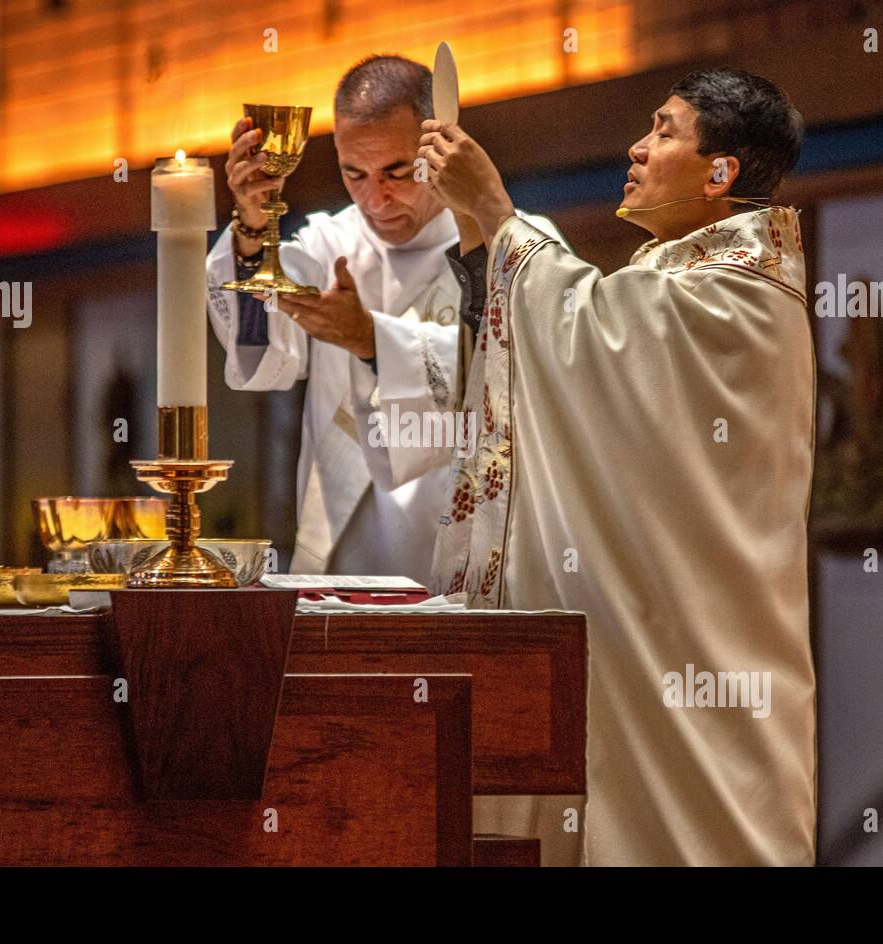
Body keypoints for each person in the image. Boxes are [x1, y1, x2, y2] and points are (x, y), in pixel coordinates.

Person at [416, 68, 817, 865]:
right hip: (648, 636)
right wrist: (475, 220)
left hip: (697, 649)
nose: (635, 147)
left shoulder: (738, 296)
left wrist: (497, 207)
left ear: (719, 173)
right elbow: (575, 333)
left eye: (665, 131)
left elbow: (584, 329)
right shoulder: (673, 279)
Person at [207, 55, 560, 578]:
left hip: (474, 535)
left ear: (435, 146)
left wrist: (371, 339)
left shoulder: (515, 242)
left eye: (397, 172)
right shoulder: (331, 242)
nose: (376, 198)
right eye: (355, 174)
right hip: (348, 541)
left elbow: (532, 377)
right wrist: (254, 221)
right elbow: (261, 357)